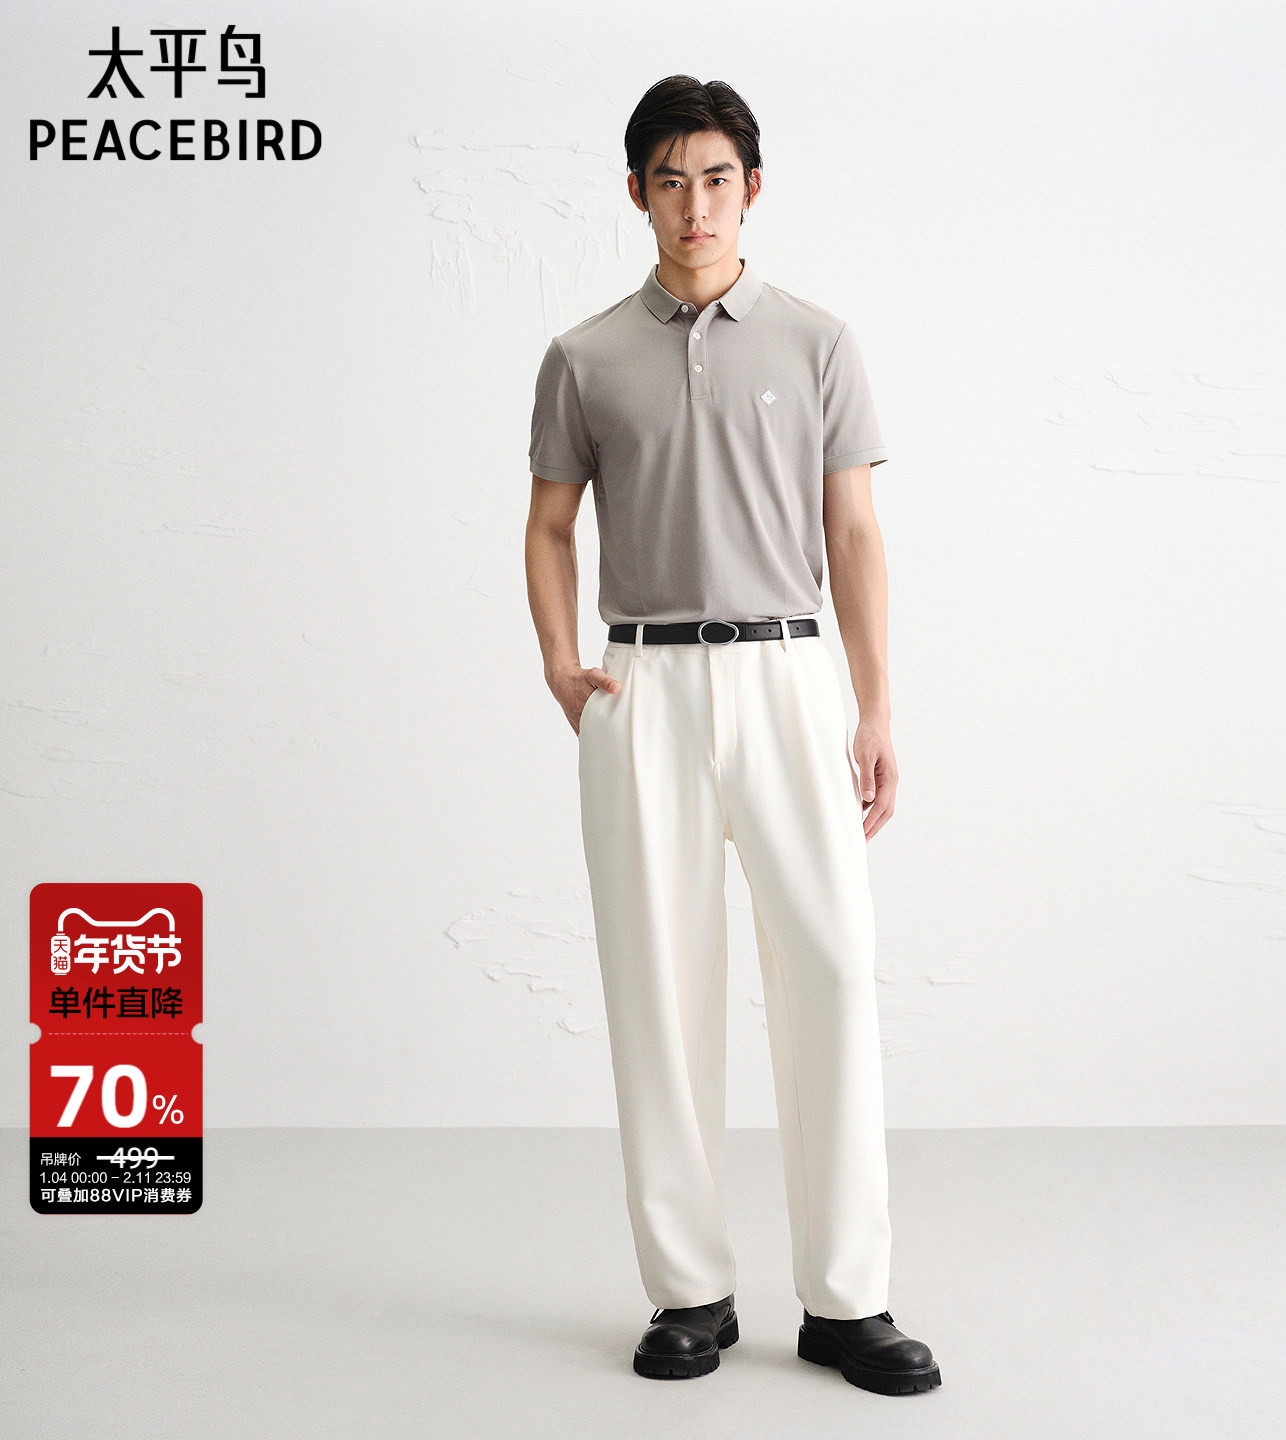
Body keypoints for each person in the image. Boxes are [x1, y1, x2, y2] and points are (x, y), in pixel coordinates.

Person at [524, 74, 940, 1397]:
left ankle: (848, 1302)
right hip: (642, 683)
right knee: (658, 988)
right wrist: (562, 664)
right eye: (669, 179)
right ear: (636, 192)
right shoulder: (586, 356)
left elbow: (853, 533)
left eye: (715, 177)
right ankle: (688, 1292)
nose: (693, 203)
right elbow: (549, 524)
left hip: (789, 676)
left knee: (831, 971)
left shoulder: (817, 343)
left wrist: (875, 707)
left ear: (750, 188)